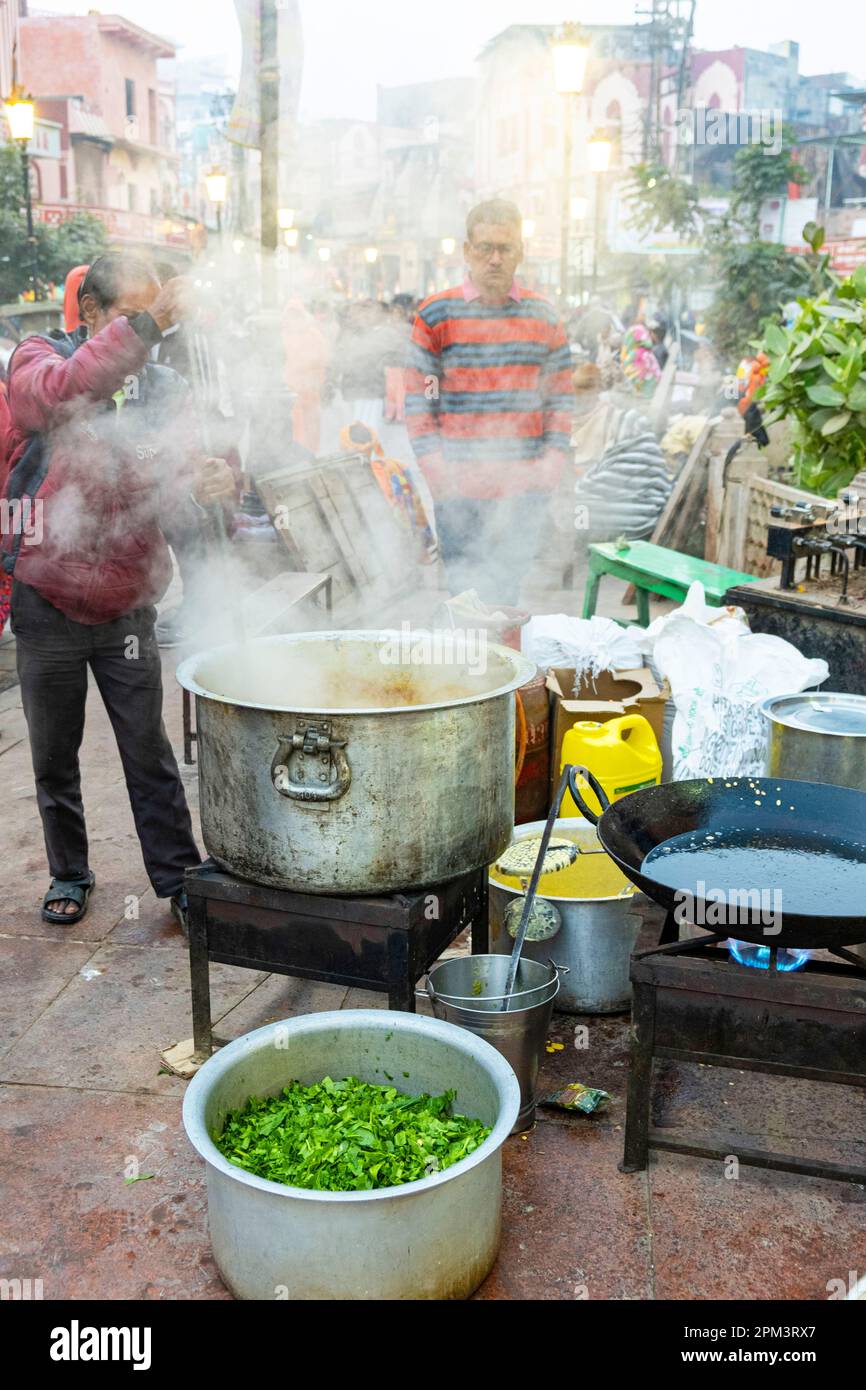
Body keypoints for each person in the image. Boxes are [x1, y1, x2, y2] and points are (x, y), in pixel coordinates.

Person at [2, 253, 236, 927]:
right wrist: (150, 322)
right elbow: (53, 393)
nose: (150, 330)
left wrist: (220, 478)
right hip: (45, 599)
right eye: (133, 314)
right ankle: (69, 872)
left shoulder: (163, 385)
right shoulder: (40, 360)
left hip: (130, 603)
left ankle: (178, 879)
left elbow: (195, 464)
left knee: (148, 752)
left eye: (157, 313)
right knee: (53, 752)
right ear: (96, 315)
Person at [404, 199, 573, 605]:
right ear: (467, 251)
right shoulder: (435, 315)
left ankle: (504, 666)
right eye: (485, 248)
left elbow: (561, 400)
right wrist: (439, 477)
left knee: (507, 594)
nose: (495, 259)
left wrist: (549, 468)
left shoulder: (545, 316)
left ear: (520, 252)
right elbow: (420, 403)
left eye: (506, 248)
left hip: (523, 489)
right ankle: (469, 666)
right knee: (466, 598)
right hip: (459, 490)